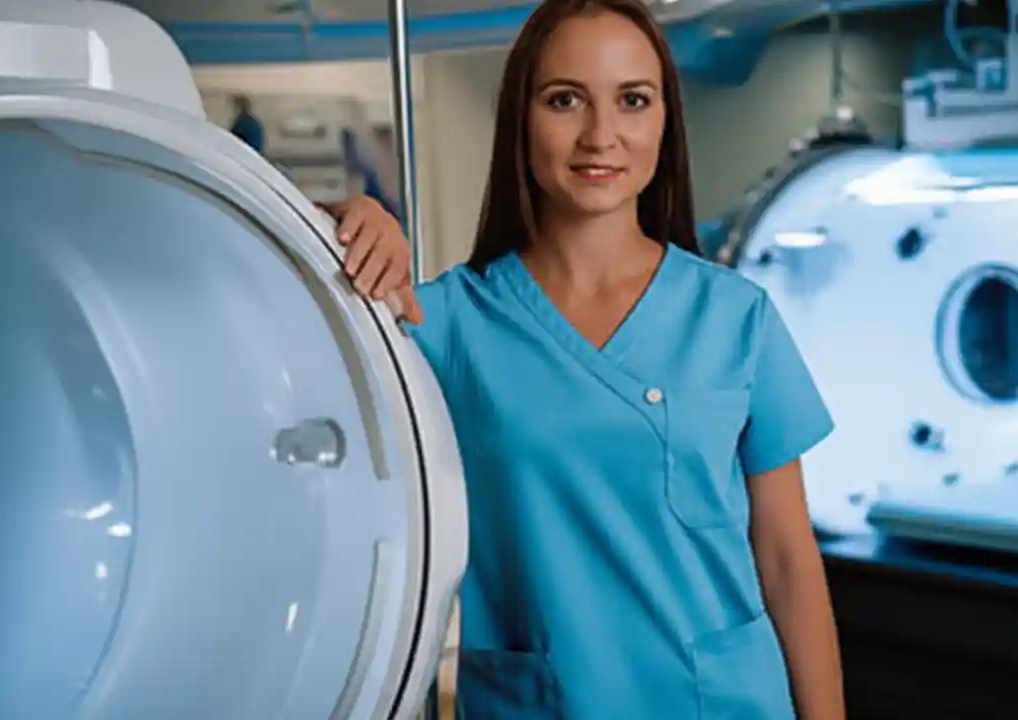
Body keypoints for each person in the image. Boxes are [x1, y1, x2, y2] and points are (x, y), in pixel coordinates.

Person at [323, 0, 846, 716]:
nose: (601, 135)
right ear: (521, 119)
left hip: (720, 701)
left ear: (665, 121)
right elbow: (289, 323)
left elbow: (787, 560)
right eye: (565, 100)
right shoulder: (440, 324)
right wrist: (343, 222)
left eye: (633, 100)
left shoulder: (735, 317)